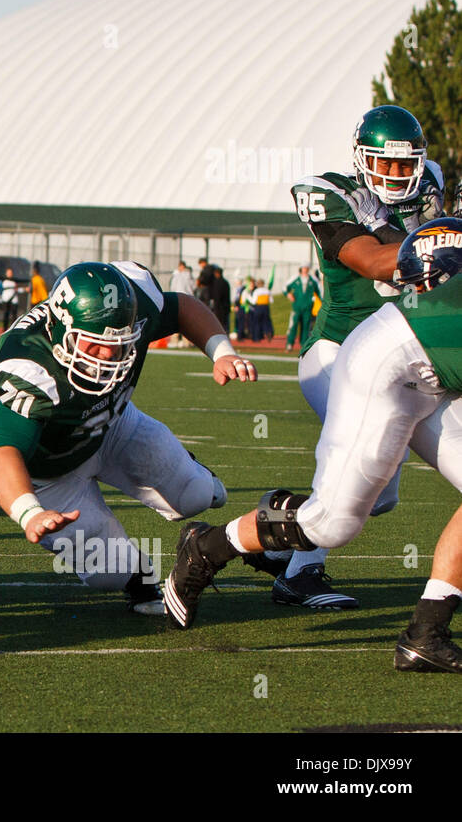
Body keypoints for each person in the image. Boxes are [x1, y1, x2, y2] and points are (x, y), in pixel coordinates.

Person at [165, 218, 462, 675]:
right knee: (331, 524)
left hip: (440, 370)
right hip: (390, 363)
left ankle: (426, 633)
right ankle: (206, 547)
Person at [244, 104, 445, 609]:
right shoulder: (329, 193)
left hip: (403, 354)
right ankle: (298, 573)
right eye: (388, 163)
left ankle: (277, 526)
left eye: (407, 164)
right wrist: (416, 240)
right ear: (361, 158)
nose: (399, 174)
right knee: (361, 474)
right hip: (337, 352)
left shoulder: (433, 185)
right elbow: (375, 262)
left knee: (381, 496)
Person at [0, 261, 254, 614]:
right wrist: (30, 512)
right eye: (93, 346)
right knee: (108, 571)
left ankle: (194, 473)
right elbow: (3, 454)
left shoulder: (134, 308)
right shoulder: (29, 364)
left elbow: (183, 306)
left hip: (111, 425)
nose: (108, 355)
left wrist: (222, 353)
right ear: (62, 329)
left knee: (196, 495)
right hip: (45, 471)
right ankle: (140, 578)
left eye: (118, 343)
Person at [284, 265, 321, 352]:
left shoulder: (312, 280)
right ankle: (290, 344)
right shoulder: (295, 278)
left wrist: (322, 301)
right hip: (297, 306)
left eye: (306, 268)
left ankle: (303, 344)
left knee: (306, 326)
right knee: (293, 325)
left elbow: (320, 291)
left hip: (307, 307)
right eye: (303, 268)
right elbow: (285, 287)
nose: (305, 270)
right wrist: (288, 294)